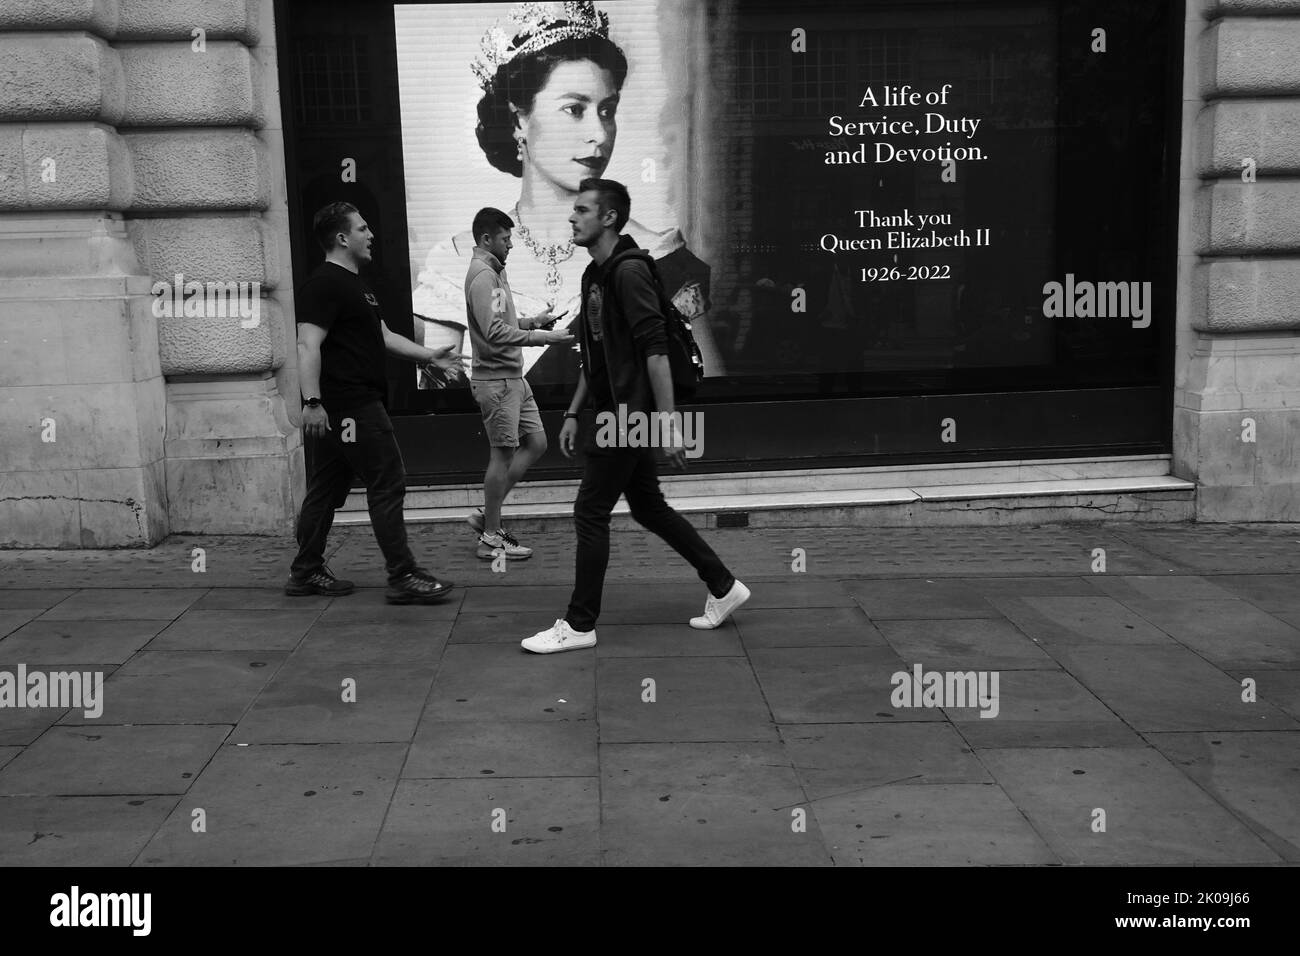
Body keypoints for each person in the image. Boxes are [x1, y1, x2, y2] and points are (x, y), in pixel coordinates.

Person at [410, 0, 722, 391]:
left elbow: (708, 394)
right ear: (518, 119)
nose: (600, 133)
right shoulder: (455, 263)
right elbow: (438, 411)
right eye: (574, 109)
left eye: (607, 110)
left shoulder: (656, 256)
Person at [521, 179, 749, 654]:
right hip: (613, 411)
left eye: (582, 210)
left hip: (630, 415)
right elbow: (594, 352)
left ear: (608, 218)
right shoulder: (595, 275)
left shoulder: (628, 273)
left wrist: (667, 426)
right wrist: (572, 412)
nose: (571, 217)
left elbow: (656, 351)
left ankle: (580, 624)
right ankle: (724, 585)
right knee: (647, 506)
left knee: (590, 510)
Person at [287, 201, 459, 604]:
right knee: (387, 481)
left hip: (346, 405)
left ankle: (306, 571)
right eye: (363, 229)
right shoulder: (325, 284)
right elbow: (306, 344)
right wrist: (312, 402)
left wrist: (428, 356)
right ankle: (403, 576)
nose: (372, 235)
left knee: (326, 489)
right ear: (342, 238)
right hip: (351, 405)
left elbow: (381, 335)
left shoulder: (356, 285)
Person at [463, 206, 574, 560]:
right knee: (503, 454)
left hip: (512, 379)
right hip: (497, 383)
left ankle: (486, 516)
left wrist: (532, 321)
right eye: (506, 238)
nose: (511, 244)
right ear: (486, 239)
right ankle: (491, 538)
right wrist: (545, 336)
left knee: (537, 443)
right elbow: (494, 332)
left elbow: (500, 320)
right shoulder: (483, 276)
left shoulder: (495, 273)